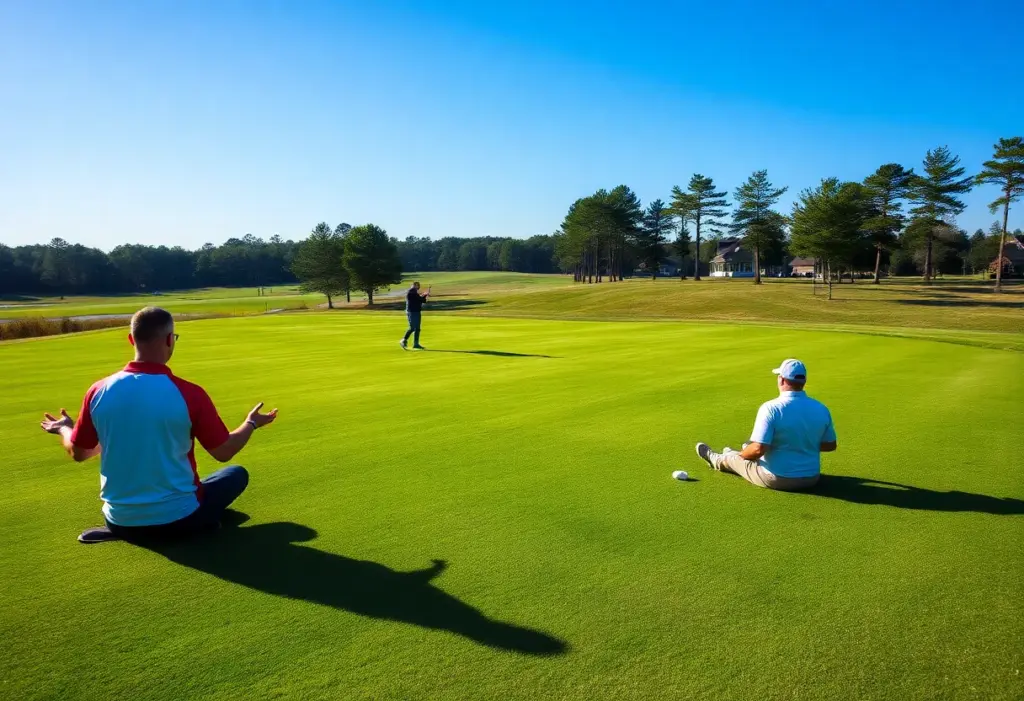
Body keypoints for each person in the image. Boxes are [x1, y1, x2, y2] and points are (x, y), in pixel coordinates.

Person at [39, 307, 278, 544]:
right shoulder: (189, 393)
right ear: (168, 340)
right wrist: (251, 423)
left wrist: (64, 428)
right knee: (236, 474)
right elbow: (223, 451)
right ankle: (201, 522)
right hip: (180, 518)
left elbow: (80, 452)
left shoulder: (98, 391)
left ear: (131, 339)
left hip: (119, 521)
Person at [694, 359, 836, 491]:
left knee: (737, 458)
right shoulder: (821, 408)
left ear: (782, 380)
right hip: (812, 478)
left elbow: (758, 449)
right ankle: (731, 452)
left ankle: (717, 459)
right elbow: (830, 445)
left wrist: (742, 455)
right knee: (750, 447)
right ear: (803, 381)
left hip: (777, 478)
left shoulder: (771, 408)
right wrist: (801, 443)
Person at [400, 281, 431, 350]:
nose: (418, 287)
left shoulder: (414, 293)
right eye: (417, 286)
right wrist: (425, 295)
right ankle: (403, 340)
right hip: (412, 312)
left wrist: (424, 295)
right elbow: (420, 299)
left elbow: (421, 300)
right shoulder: (411, 292)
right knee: (412, 327)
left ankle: (416, 344)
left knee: (417, 328)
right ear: (414, 285)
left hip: (416, 311)